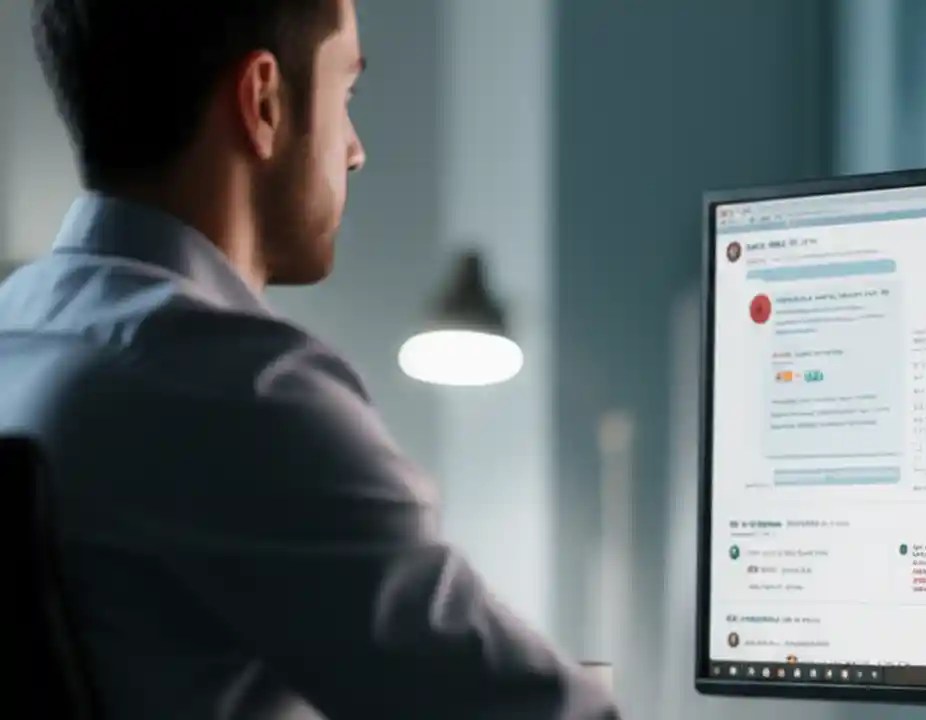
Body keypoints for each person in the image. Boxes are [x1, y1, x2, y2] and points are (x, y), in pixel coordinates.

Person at [0, 1, 620, 718]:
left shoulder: (20, 328)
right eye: (345, 93)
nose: (355, 148)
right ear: (263, 101)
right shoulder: (237, 394)